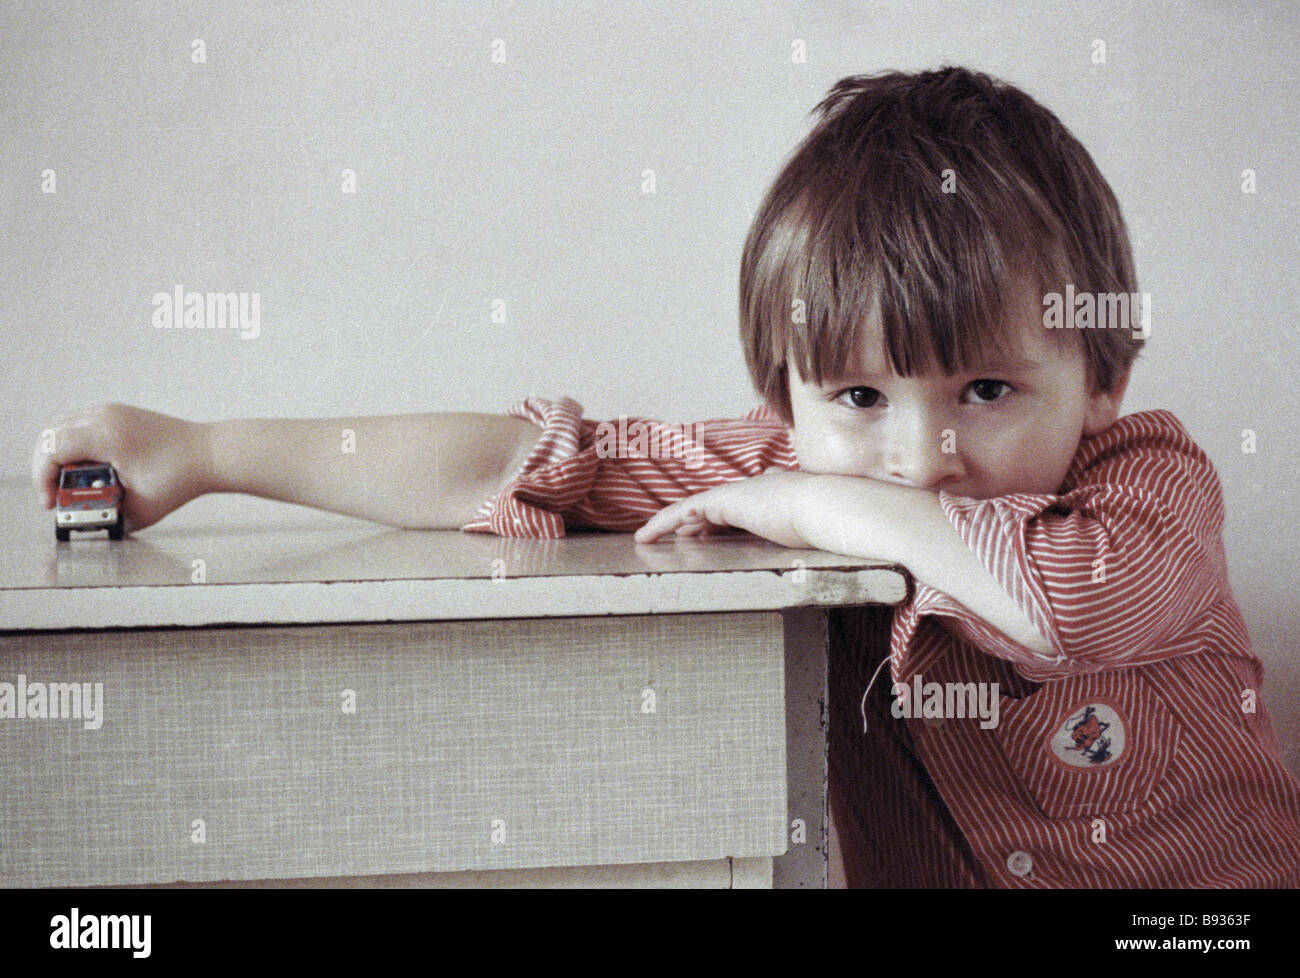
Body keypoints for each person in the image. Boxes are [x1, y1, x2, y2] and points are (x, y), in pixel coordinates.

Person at [32, 66, 1300, 886]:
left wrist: (811, 499)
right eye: (858, 397)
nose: (920, 455)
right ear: (787, 395)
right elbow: (539, 466)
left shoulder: (1149, 483)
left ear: (1102, 375)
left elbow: (1059, 606)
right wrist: (202, 456)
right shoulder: (779, 456)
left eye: (985, 389)